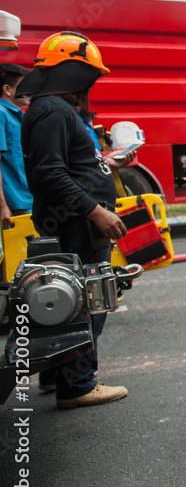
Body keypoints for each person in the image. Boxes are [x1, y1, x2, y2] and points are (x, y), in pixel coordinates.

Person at [20, 31, 136, 408]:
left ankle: (56, 376)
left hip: (74, 222)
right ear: (73, 72)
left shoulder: (55, 109)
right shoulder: (53, 111)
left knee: (71, 302)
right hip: (74, 225)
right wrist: (96, 210)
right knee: (87, 301)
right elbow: (48, 173)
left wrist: (106, 162)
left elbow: (70, 165)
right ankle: (78, 385)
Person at [0, 63, 31, 228]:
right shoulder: (1, 113)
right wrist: (3, 207)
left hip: (24, 198)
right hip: (14, 203)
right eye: (23, 86)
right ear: (7, 89)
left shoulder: (17, 116)